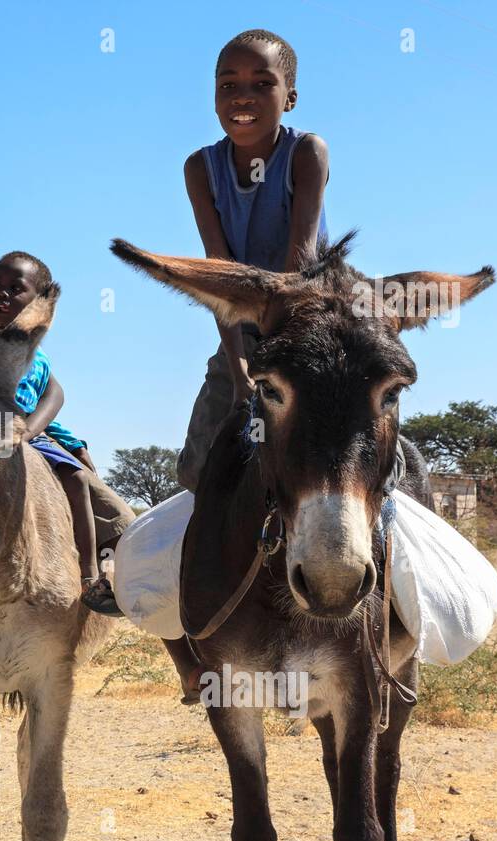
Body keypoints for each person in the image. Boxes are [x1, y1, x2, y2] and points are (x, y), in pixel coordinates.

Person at [177, 27, 329, 493]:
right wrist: (242, 373)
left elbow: (298, 264)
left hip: (310, 317)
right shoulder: (201, 168)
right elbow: (218, 274)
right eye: (228, 85)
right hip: (240, 322)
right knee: (197, 469)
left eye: (263, 83)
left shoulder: (306, 152)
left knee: (334, 447)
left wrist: (275, 360)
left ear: (291, 97)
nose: (243, 96)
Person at [0, 250, 130, 615]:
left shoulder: (40, 357)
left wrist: (70, 444)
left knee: (80, 478)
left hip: (30, 434)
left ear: (41, 303)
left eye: (15, 289)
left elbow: (47, 405)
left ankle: (89, 577)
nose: (2, 294)